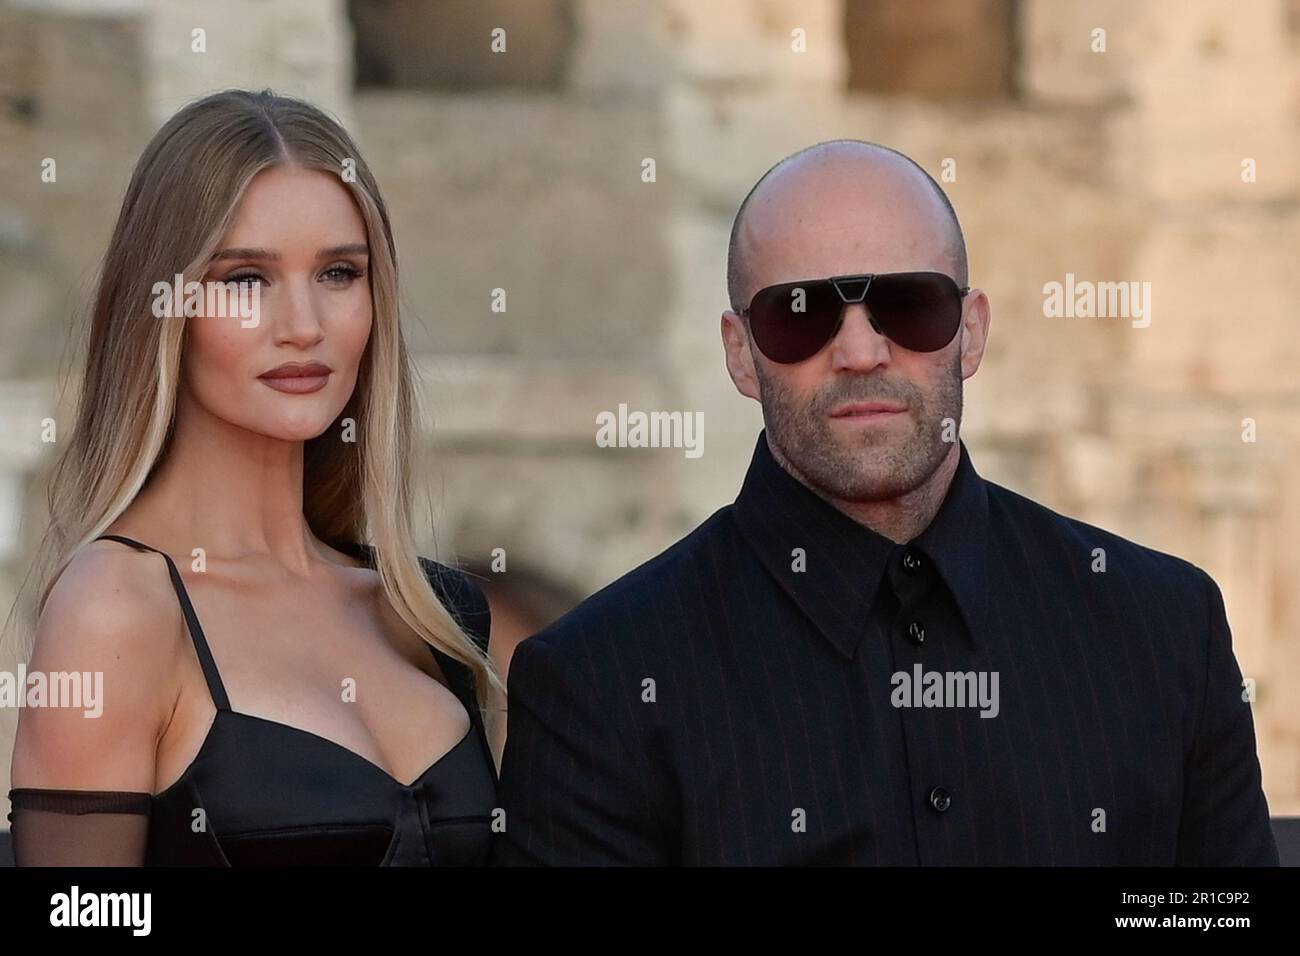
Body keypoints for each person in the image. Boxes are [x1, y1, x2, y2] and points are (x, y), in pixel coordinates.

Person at [492, 139, 1278, 866]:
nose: (861, 351)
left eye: (908, 305)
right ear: (741, 353)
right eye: (800, 313)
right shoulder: (599, 684)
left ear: (972, 332)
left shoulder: (1167, 630)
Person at [7, 89, 501, 866]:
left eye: (339, 272)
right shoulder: (116, 611)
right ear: (166, 306)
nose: (304, 325)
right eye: (245, 279)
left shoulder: (431, 613)